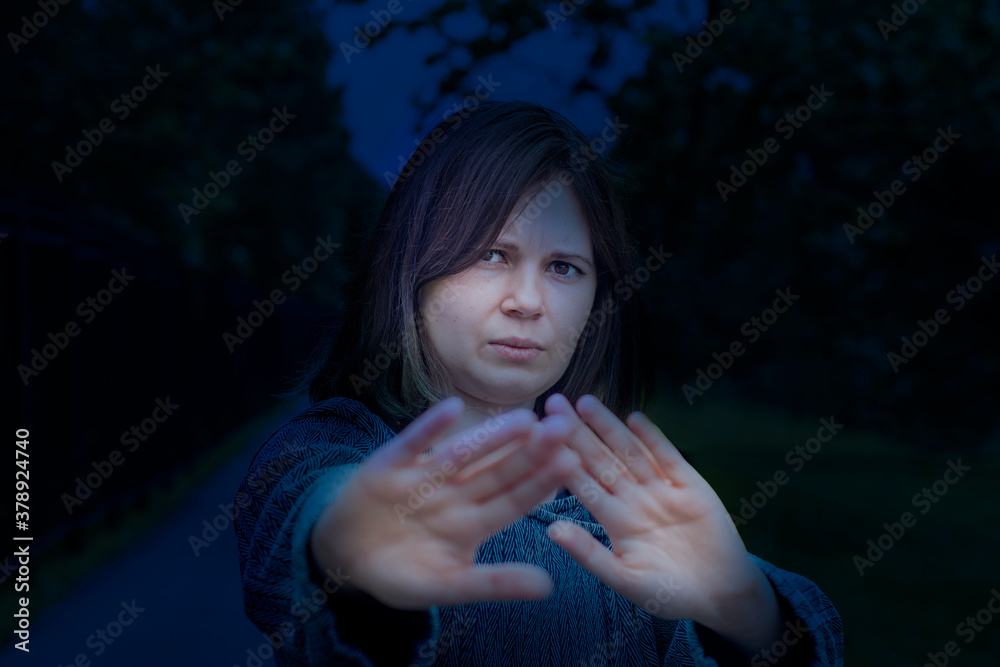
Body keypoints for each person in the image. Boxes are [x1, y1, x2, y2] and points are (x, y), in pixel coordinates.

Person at [234, 100, 844, 666]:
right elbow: (296, 521)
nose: (528, 301)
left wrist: (745, 610)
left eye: (563, 267)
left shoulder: (621, 492)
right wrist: (347, 558)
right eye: (492, 254)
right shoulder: (324, 448)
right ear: (412, 268)